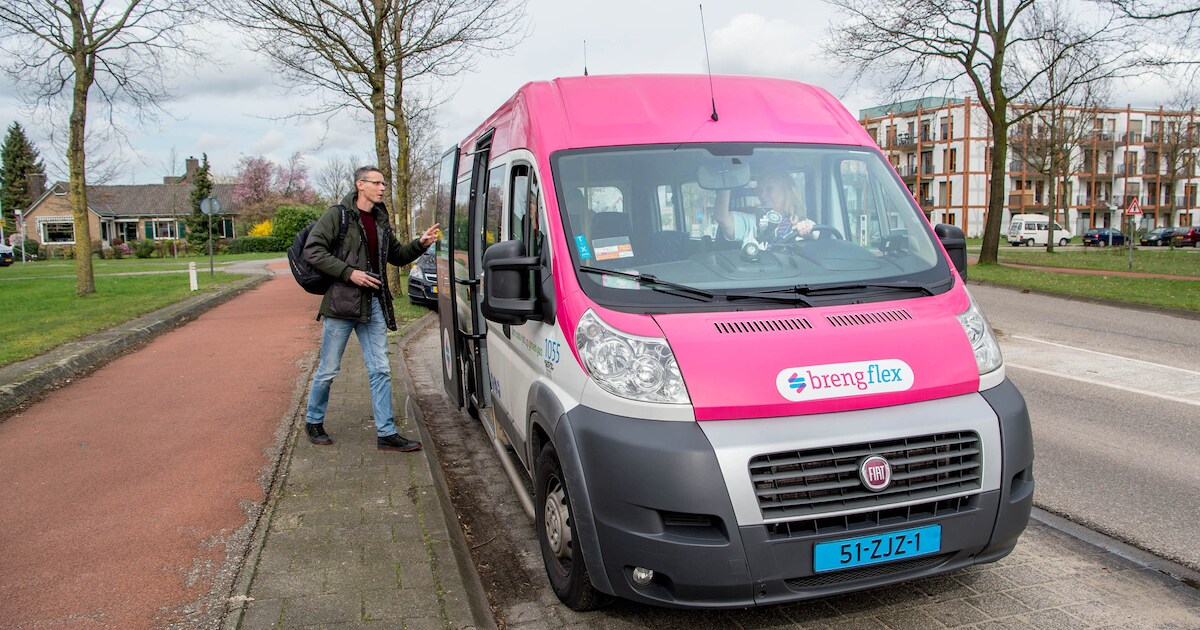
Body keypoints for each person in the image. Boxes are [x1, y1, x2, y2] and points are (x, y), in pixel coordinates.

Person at [302, 166, 439, 451]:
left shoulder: (380, 220)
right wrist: (348, 273)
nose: (382, 188)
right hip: (341, 305)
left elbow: (397, 256)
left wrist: (421, 244)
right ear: (360, 184)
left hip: (373, 304)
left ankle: (386, 432)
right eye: (377, 183)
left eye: (384, 184)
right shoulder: (337, 215)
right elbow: (313, 250)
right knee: (328, 370)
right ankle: (313, 421)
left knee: (380, 369)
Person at [714, 170, 815, 248]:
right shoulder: (752, 221)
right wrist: (727, 178)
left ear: (786, 192)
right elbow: (721, 217)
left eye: (769, 189)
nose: (762, 195)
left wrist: (809, 232)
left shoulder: (799, 223)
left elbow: (820, 235)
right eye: (760, 191)